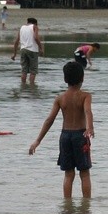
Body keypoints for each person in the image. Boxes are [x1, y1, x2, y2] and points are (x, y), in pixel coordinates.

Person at [29, 61, 95, 199]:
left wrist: (37, 141)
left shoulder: (60, 98)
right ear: (82, 78)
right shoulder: (85, 96)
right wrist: (90, 127)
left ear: (65, 79)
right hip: (80, 135)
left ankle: (67, 204)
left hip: (65, 137)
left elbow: (49, 120)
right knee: (84, 173)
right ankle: (87, 204)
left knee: (68, 174)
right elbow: (88, 111)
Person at [11, 17, 44, 85]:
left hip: (23, 50)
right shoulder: (34, 27)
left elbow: (16, 41)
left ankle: (23, 86)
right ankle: (32, 87)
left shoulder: (22, 28)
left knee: (24, 70)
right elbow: (36, 38)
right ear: (35, 23)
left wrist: (14, 54)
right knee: (33, 71)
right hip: (32, 50)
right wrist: (41, 48)